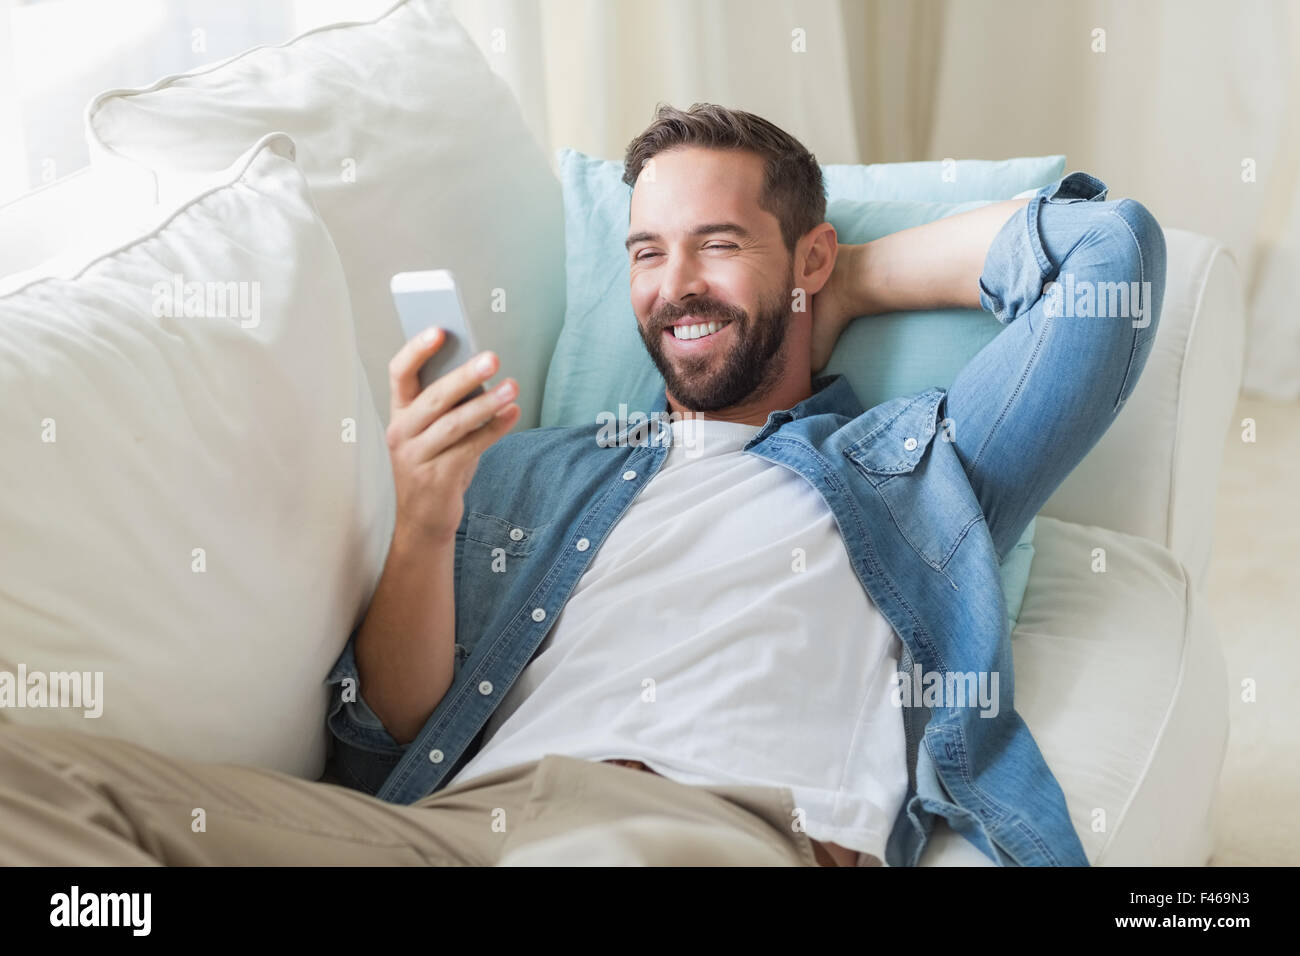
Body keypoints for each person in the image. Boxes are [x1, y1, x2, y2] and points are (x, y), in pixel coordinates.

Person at [0, 102, 1165, 867]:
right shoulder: (532, 467)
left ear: (806, 257)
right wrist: (425, 517)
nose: (675, 286)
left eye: (718, 243)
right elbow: (393, 726)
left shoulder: (917, 469)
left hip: (688, 834)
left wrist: (846, 276)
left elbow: (1109, 257)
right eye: (646, 251)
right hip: (447, 830)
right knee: (32, 777)